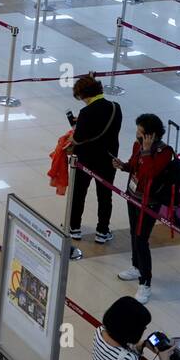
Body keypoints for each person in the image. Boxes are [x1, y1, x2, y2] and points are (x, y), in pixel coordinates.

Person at [114, 113, 173, 304]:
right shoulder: (138, 145)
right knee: (133, 234)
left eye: (141, 132)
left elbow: (150, 174)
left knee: (141, 240)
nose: (137, 135)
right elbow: (134, 165)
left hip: (149, 203)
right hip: (133, 196)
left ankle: (145, 282)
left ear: (151, 135)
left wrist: (147, 151)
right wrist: (122, 166)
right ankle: (136, 266)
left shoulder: (164, 152)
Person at [67, 74, 123, 245]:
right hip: (107, 159)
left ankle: (74, 228)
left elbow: (78, 138)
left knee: (79, 193)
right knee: (105, 196)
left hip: (86, 158)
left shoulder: (85, 112)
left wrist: (76, 128)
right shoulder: (115, 107)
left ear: (84, 95)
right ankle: (102, 231)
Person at [92, 296, 167, 360]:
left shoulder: (99, 331)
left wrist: (141, 345)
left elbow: (115, 352)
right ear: (131, 330)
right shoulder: (129, 359)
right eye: (143, 327)